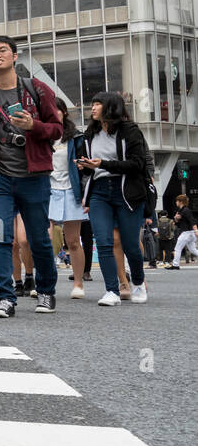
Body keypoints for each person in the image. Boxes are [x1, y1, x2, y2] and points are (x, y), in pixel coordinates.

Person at [0, 35, 63, 318]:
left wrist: (34, 126)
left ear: (15, 56)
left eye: (2, 51)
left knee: (38, 240)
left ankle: (46, 292)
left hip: (34, 178)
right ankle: (5, 298)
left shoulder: (37, 89)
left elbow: (58, 129)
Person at [77, 93, 150, 306]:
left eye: (97, 104)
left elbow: (138, 164)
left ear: (110, 107)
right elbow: (92, 167)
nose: (93, 108)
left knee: (130, 245)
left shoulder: (130, 131)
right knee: (104, 242)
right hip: (99, 191)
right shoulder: (90, 133)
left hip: (126, 191)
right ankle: (112, 290)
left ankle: (138, 282)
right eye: (92, 104)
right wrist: (84, 165)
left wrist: (103, 164)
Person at [48, 98, 88, 299]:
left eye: (57, 109)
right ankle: (45, 284)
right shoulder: (42, 136)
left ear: (64, 112)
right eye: (50, 110)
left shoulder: (76, 137)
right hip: (48, 191)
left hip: (71, 191)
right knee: (46, 240)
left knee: (72, 241)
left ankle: (79, 283)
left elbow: (85, 168)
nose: (54, 113)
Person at [165, 195, 197, 269]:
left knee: (177, 248)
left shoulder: (185, 210)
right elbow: (178, 222)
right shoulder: (181, 210)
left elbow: (192, 220)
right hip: (190, 233)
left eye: (177, 201)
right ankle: (175, 264)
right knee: (193, 250)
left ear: (181, 202)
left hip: (186, 233)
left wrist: (196, 230)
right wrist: (176, 218)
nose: (176, 202)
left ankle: (175, 265)